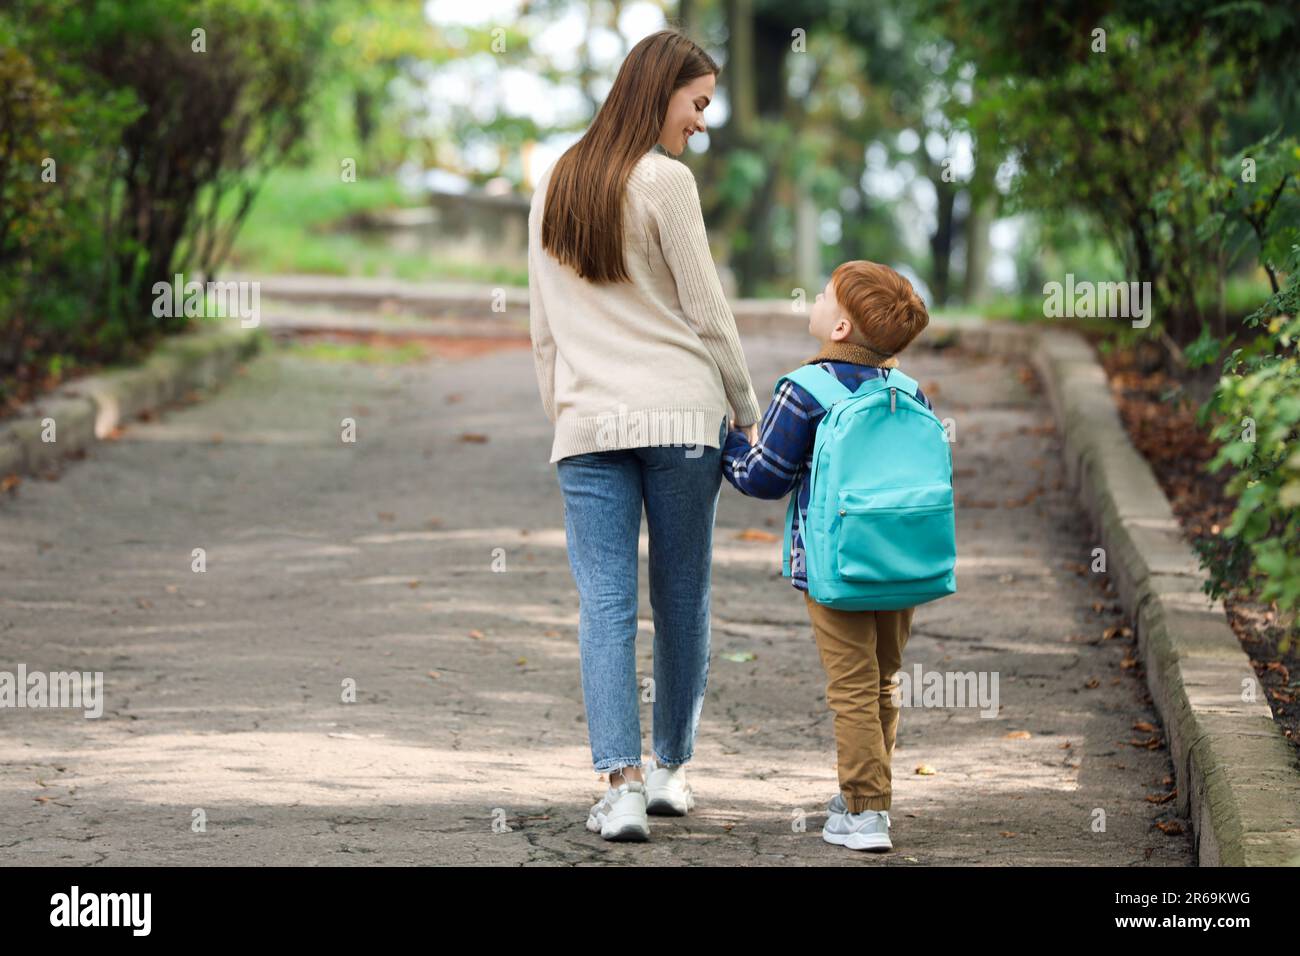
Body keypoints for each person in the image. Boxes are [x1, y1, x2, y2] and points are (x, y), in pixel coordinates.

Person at [528, 29, 761, 841]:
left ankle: (620, 786)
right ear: (658, 89)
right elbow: (706, 310)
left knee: (604, 602)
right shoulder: (667, 182)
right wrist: (747, 404)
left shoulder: (556, 180)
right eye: (697, 103)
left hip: (588, 423)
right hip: (683, 419)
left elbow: (543, 330)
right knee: (682, 594)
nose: (701, 121)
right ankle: (670, 771)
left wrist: (563, 412)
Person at [720, 260, 932, 852]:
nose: (813, 298)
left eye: (823, 295)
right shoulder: (909, 392)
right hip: (904, 564)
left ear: (839, 328)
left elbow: (764, 476)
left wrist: (729, 444)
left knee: (852, 686)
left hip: (835, 567)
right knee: (884, 680)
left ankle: (866, 812)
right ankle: (867, 795)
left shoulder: (803, 389)